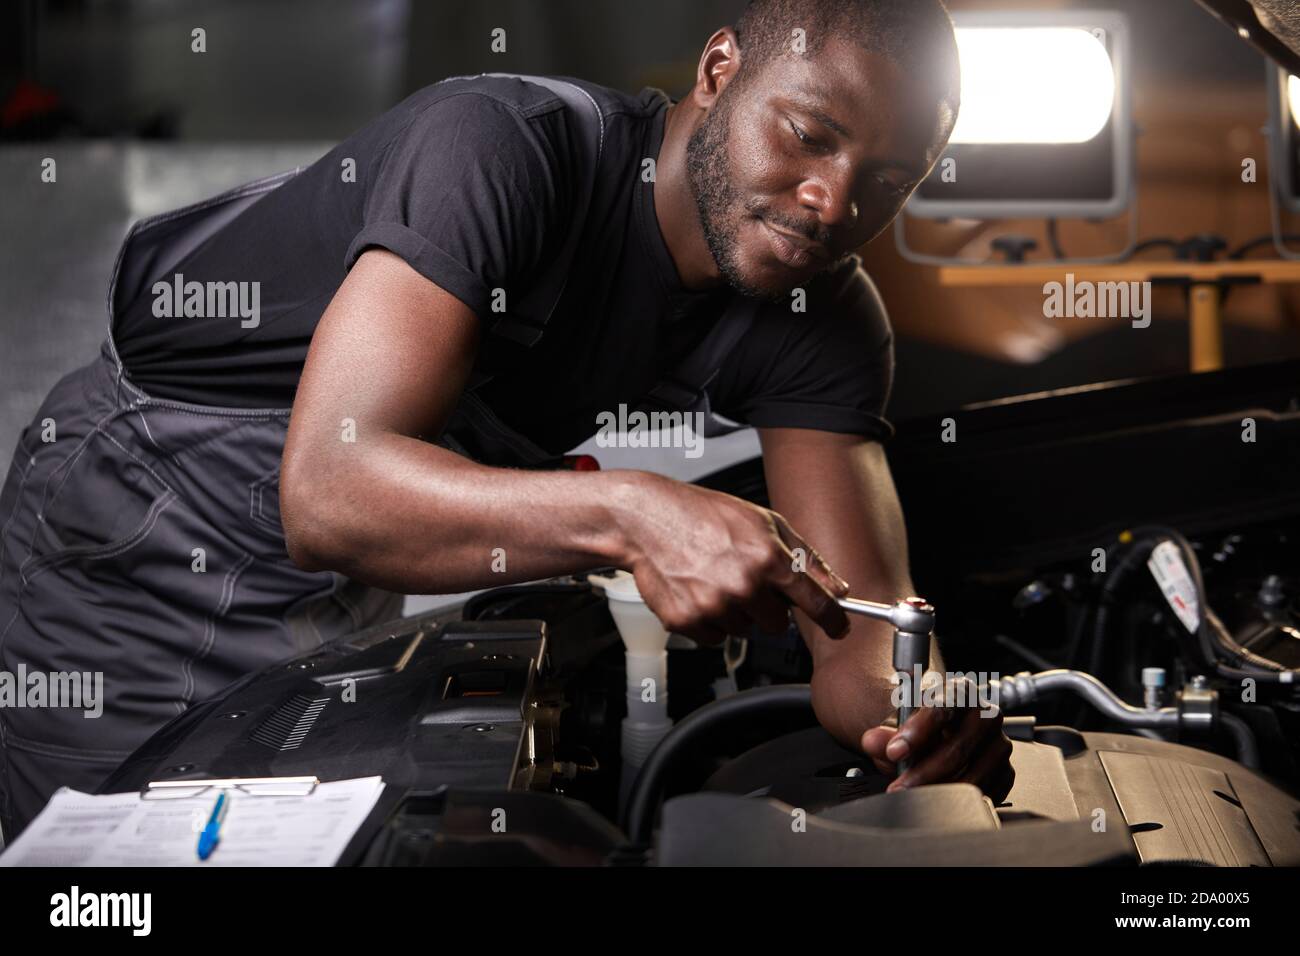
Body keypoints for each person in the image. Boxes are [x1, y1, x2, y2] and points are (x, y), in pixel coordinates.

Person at [0, 0, 1012, 840]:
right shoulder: (501, 146)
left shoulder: (822, 316)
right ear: (718, 69)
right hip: (155, 506)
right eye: (807, 134)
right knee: (117, 868)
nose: (831, 202)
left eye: (888, 178)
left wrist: (914, 717)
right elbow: (330, 492)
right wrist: (636, 517)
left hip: (349, 565)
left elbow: (858, 636)